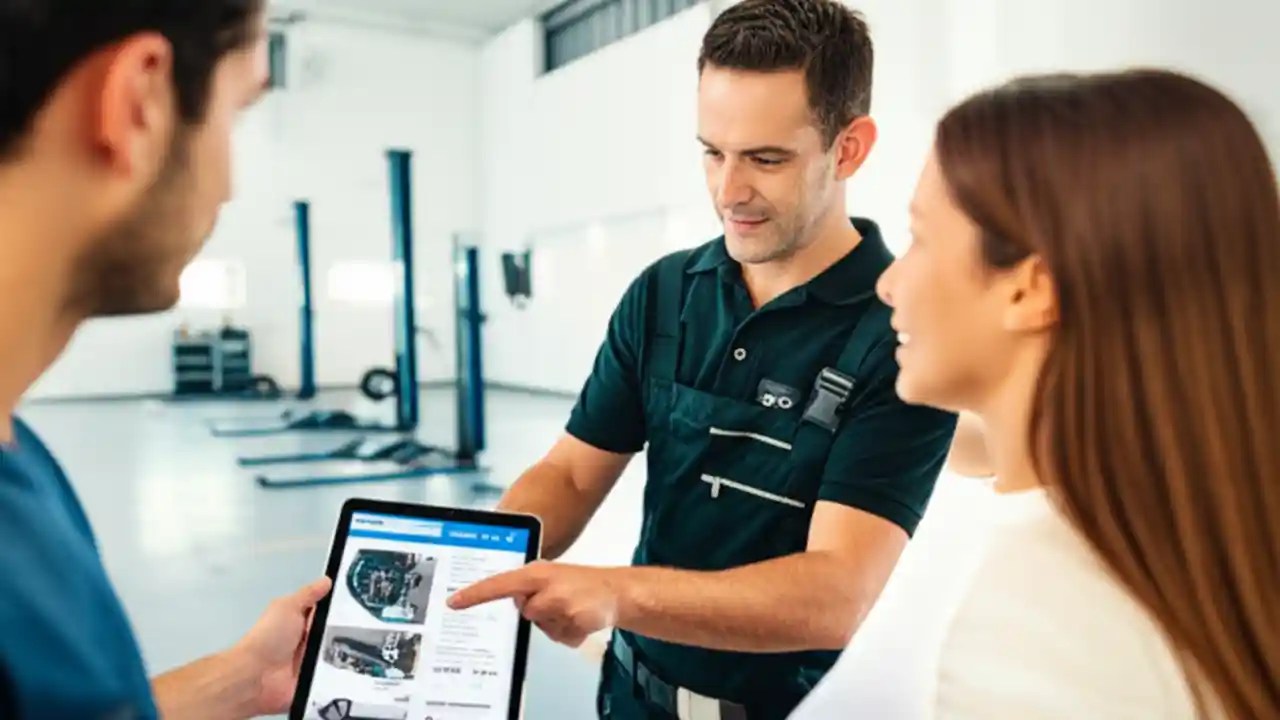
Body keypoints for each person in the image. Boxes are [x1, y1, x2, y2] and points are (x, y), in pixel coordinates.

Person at [448, 1, 958, 718]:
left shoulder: (900, 337)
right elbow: (569, 471)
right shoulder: (664, 294)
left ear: (848, 149)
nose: (728, 191)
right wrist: (468, 570)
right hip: (629, 694)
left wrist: (616, 593)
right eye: (712, 152)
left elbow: (835, 592)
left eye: (766, 159)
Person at [795, 69, 1280, 718]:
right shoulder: (1202, 541)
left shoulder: (1031, 620)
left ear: (1030, 289)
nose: (889, 285)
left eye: (920, 239)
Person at [0, 2, 331, 717]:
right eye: (234, 115)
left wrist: (243, 678)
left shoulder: (21, 456)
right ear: (139, 103)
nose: (230, 186)